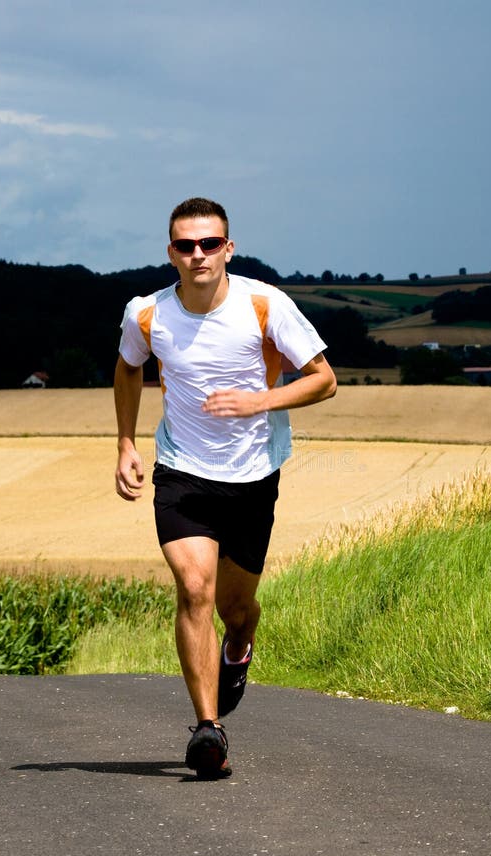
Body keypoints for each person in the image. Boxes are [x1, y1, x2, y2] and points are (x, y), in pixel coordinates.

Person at [114, 197, 336, 779]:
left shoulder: (265, 305)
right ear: (171, 253)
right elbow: (129, 366)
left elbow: (324, 380)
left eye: (210, 244)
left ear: (228, 249)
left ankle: (239, 644)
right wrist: (126, 443)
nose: (199, 255)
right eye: (186, 245)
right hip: (182, 472)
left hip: (252, 476)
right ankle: (208, 730)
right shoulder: (147, 314)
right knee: (194, 590)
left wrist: (261, 401)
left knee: (236, 608)